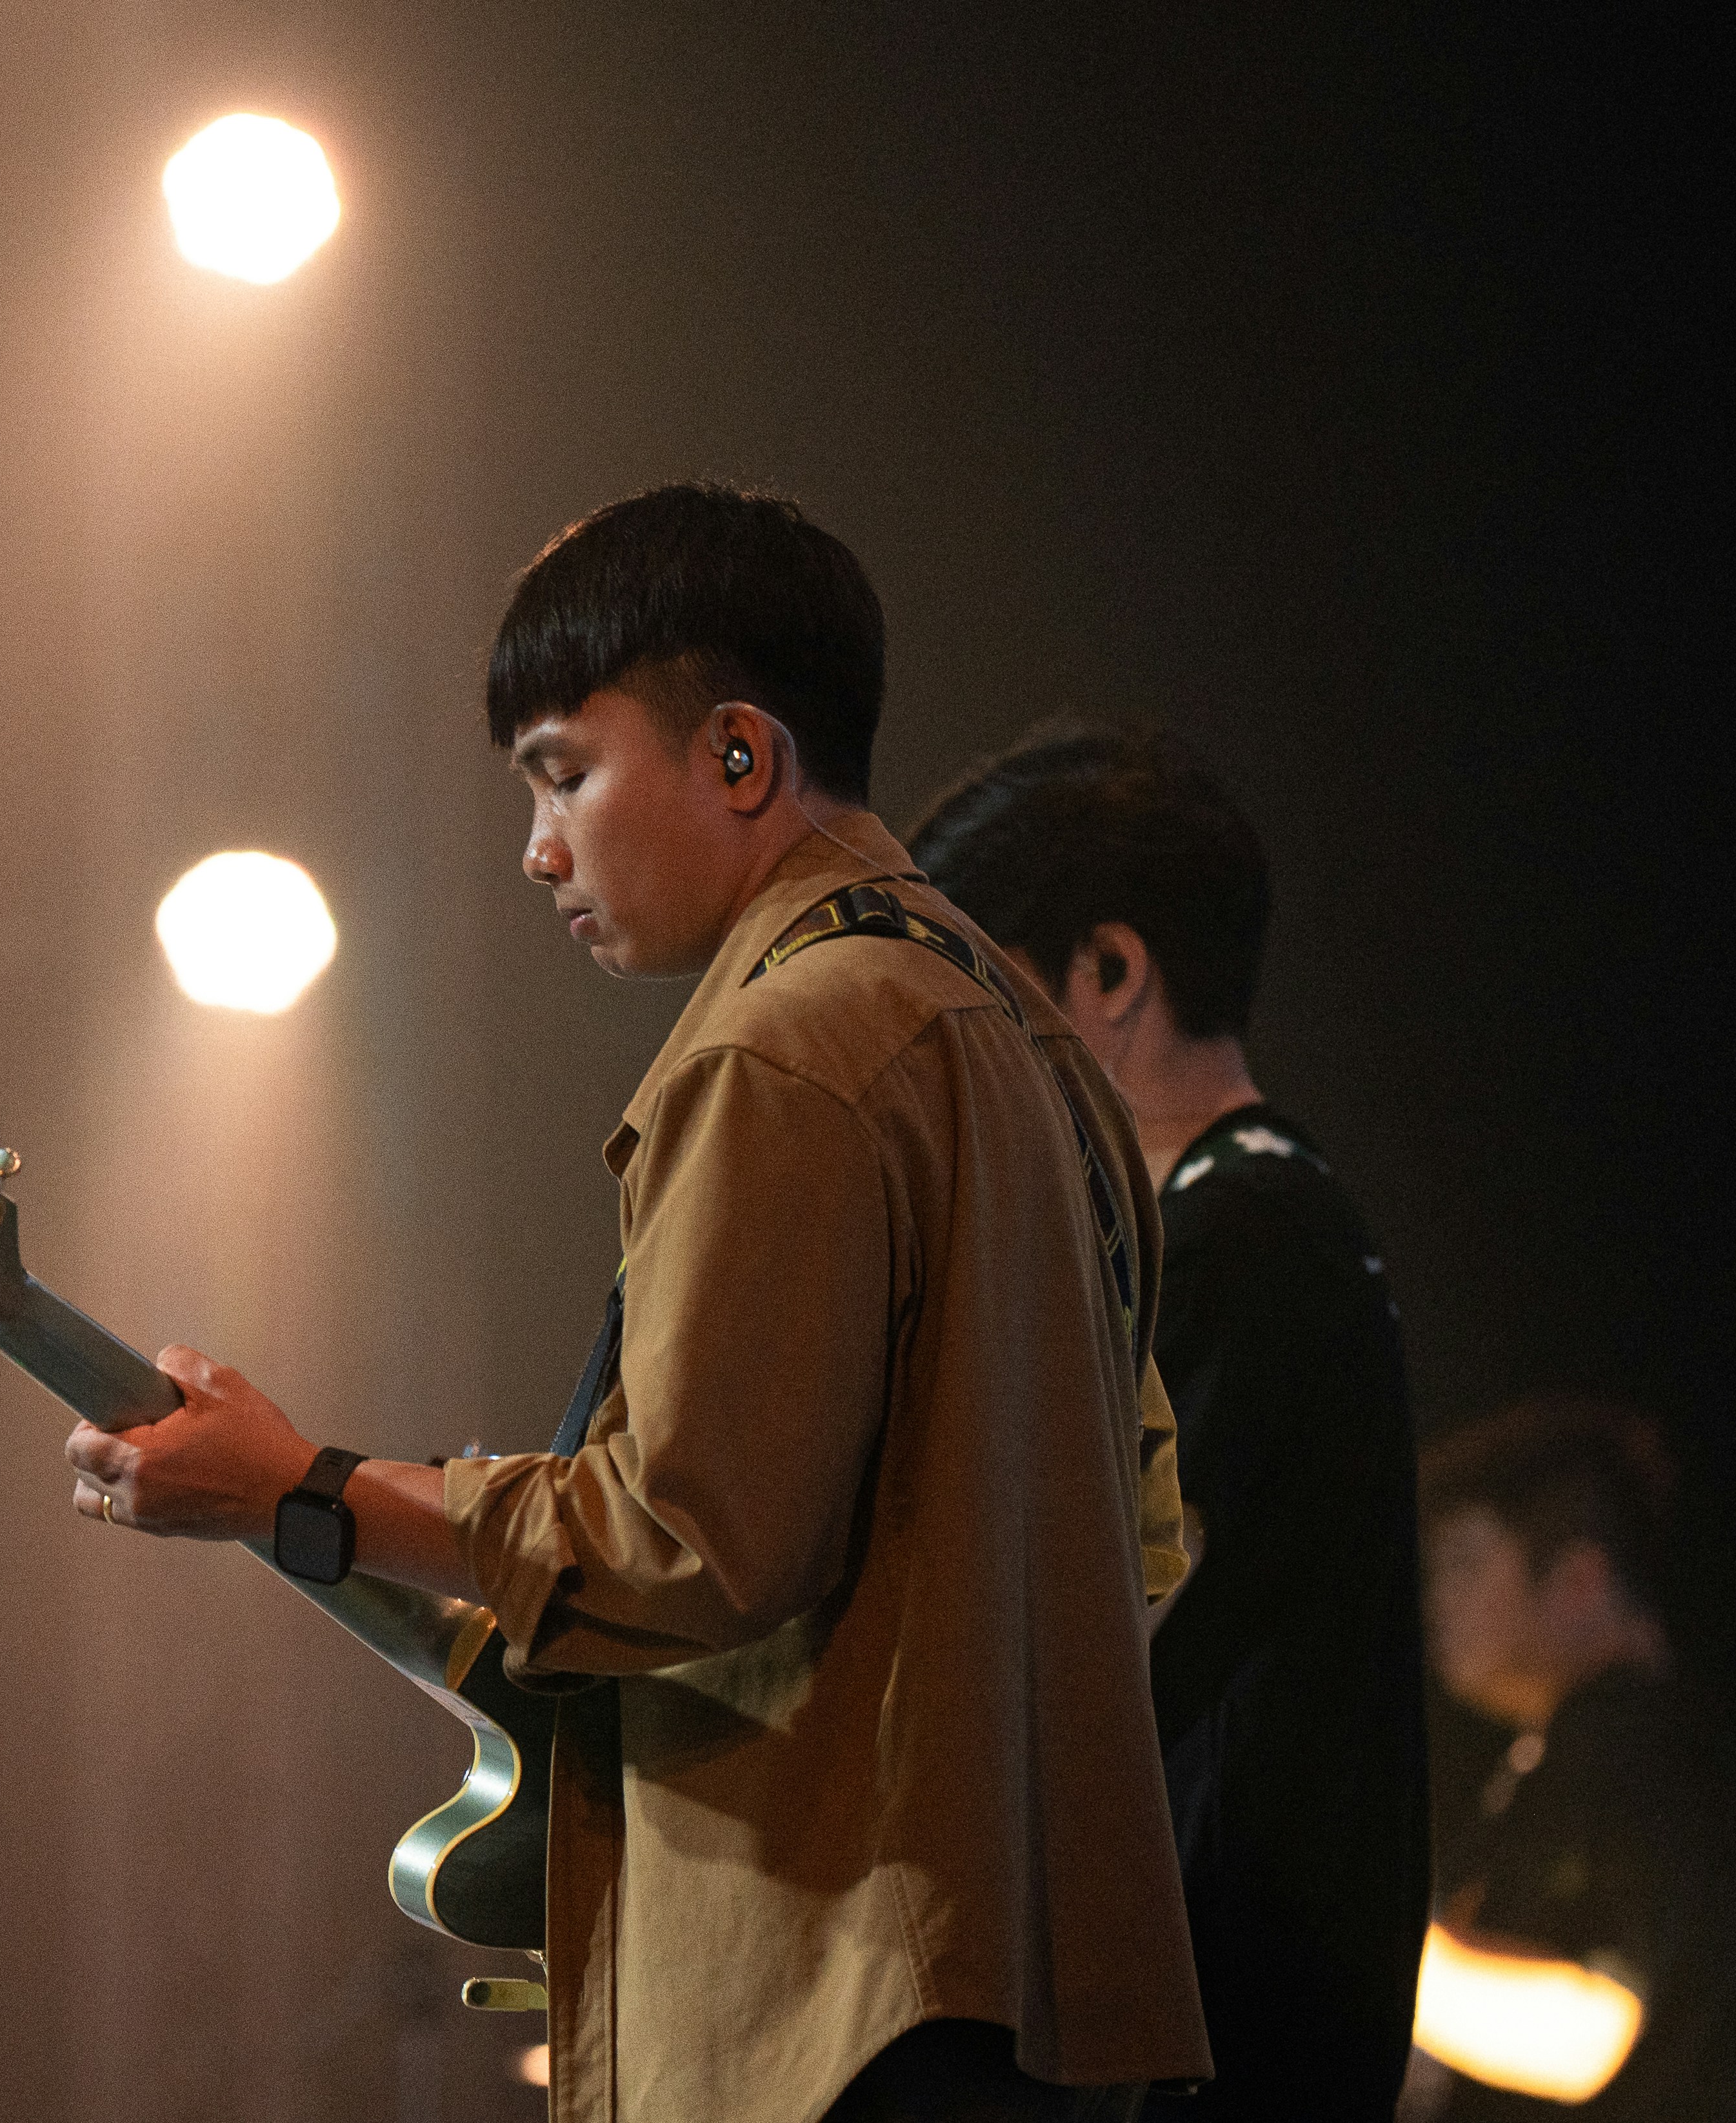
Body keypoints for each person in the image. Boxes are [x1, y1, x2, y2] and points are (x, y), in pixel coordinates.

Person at [61, 484, 1213, 2122]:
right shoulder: (1030, 1045)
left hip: (838, 2014)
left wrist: (300, 1489)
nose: (538, 851)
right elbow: (1151, 1524)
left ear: (739, 757)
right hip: (1027, 1990)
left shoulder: (779, 1046)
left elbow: (683, 1536)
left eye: (563, 774)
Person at [909, 725, 1431, 2120]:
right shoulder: (1266, 1216)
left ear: (1109, 972)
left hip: (1219, 2036)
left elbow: (1092, 1644)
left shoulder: (1234, 1234)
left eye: (978, 1001)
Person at [1405, 1397, 1736, 2121]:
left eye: (1464, 1564)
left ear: (1579, 1581)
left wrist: (1361, 1952)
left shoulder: (1648, 1746)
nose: (1437, 1599)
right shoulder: (1580, 1749)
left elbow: (1583, 2032)